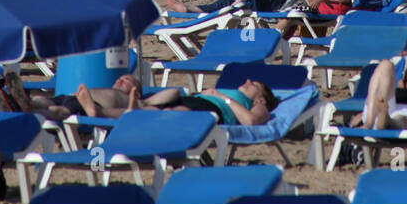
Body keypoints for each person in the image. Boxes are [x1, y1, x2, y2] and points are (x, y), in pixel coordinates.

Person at [92, 78, 277, 126]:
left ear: (261, 97)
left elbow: (251, 121)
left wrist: (221, 97)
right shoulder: (240, 94)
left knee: (174, 113)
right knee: (151, 108)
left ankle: (133, 114)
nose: (247, 82)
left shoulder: (258, 106)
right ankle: (99, 112)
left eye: (253, 84)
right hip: (196, 100)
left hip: (212, 109)